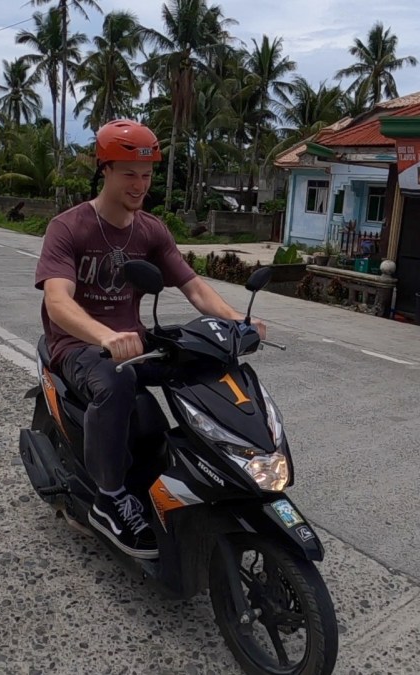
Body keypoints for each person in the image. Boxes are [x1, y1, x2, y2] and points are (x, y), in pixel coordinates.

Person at [34, 119, 266, 559]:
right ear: (105, 170)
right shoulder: (68, 227)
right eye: (129, 174)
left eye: (147, 174)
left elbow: (193, 286)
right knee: (116, 383)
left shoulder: (151, 229)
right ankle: (110, 496)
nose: (140, 185)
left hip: (134, 343)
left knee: (209, 361)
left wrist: (238, 320)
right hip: (79, 346)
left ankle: (223, 463)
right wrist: (106, 335)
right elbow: (58, 303)